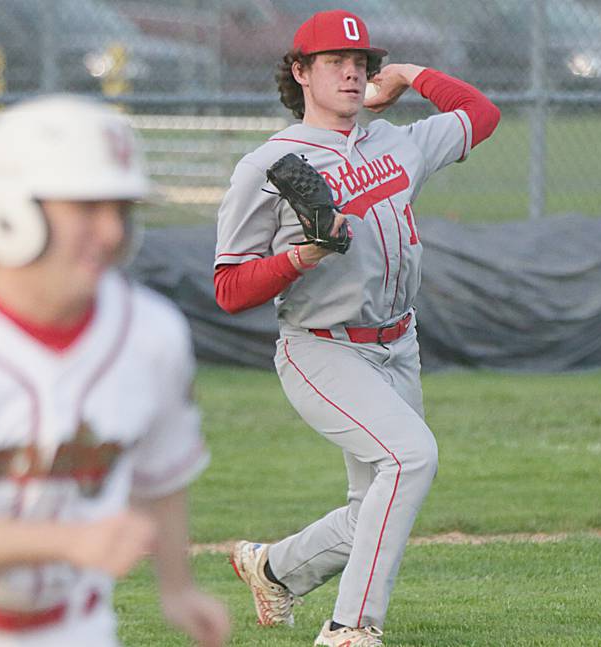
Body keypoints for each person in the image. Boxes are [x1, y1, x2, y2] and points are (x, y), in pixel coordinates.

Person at [0, 95, 230, 647]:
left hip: (76, 625)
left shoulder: (153, 333)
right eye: (86, 207)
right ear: (11, 205)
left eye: (122, 209)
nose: (110, 232)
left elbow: (163, 475)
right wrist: (71, 543)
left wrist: (177, 589)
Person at [215, 9, 500, 647]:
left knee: (371, 504)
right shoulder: (269, 165)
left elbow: (482, 115)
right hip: (323, 350)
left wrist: (408, 75)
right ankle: (351, 627)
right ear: (300, 72)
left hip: (399, 343)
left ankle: (274, 568)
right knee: (412, 456)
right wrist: (300, 257)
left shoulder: (395, 143)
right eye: (334, 63)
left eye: (362, 63)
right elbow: (229, 289)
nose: (352, 72)